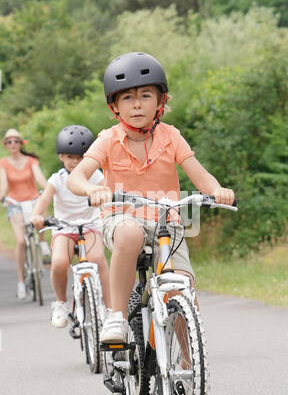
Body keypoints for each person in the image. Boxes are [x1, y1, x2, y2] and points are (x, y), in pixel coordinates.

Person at [66, 53, 235, 346]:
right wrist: (93, 190)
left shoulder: (171, 136)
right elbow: (75, 178)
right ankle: (116, 317)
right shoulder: (107, 139)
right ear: (114, 107)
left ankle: (185, 366)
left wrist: (218, 189)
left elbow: (200, 175)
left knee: (181, 290)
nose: (136, 104)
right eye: (127, 98)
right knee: (130, 233)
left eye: (145, 95)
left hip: (166, 223)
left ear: (161, 102)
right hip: (121, 219)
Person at [29, 125, 111, 328]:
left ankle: (111, 309)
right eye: (70, 157)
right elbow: (44, 199)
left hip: (91, 225)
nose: (75, 162)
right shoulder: (57, 179)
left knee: (99, 260)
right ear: (60, 157)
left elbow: (107, 193)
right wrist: (37, 215)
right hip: (64, 228)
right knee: (58, 262)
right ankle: (60, 303)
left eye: (81, 158)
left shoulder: (96, 176)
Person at [0, 127, 46, 300]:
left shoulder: (31, 161)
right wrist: (2, 194)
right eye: (9, 142)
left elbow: (39, 178)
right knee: (20, 241)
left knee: (41, 203)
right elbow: (3, 182)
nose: (13, 144)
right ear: (5, 145)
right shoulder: (3, 162)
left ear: (21, 143)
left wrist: (48, 188)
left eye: (16, 141)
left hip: (32, 200)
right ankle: (21, 282)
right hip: (15, 203)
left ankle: (43, 242)